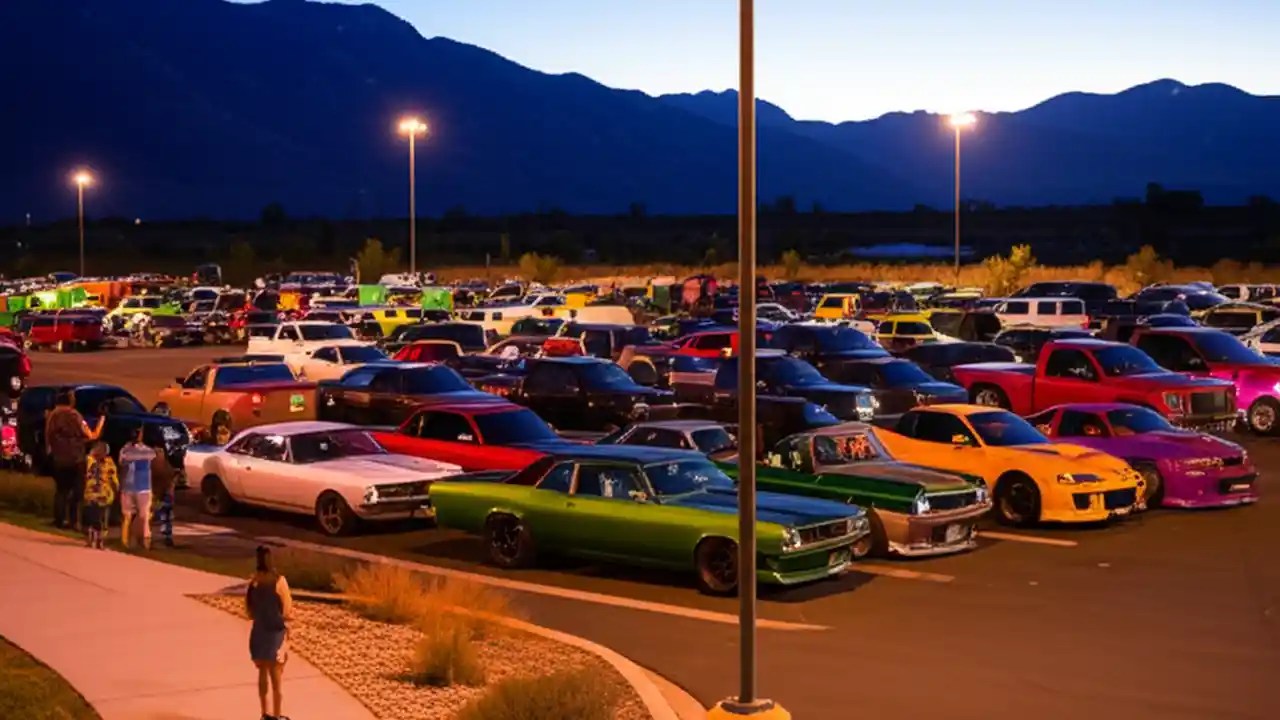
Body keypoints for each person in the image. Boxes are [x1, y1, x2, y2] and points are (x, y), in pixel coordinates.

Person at [44, 389, 106, 529]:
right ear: (70, 400)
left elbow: (48, 438)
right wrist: (102, 420)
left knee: (61, 491)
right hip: (76, 459)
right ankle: (74, 522)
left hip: (59, 459)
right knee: (77, 492)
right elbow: (91, 435)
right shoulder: (74, 415)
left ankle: (58, 520)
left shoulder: (53, 416)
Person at [246, 546, 292, 720]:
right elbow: (287, 609)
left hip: (258, 632)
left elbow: (249, 610)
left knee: (262, 673)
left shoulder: (254, 582)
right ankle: (278, 714)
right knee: (277, 678)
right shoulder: (279, 581)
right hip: (275, 633)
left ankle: (264, 713)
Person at [119, 427, 157, 550]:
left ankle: (126, 542)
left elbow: (122, 462)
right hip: (143, 487)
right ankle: (145, 542)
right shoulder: (149, 451)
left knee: (128, 516)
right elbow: (153, 458)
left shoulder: (124, 450)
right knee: (144, 516)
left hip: (128, 487)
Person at [82, 442, 118, 549]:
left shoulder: (108, 462)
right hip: (93, 494)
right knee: (94, 517)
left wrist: (116, 487)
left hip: (103, 495)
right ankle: (93, 538)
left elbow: (113, 477)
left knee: (100, 517)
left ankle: (99, 540)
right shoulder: (90, 460)